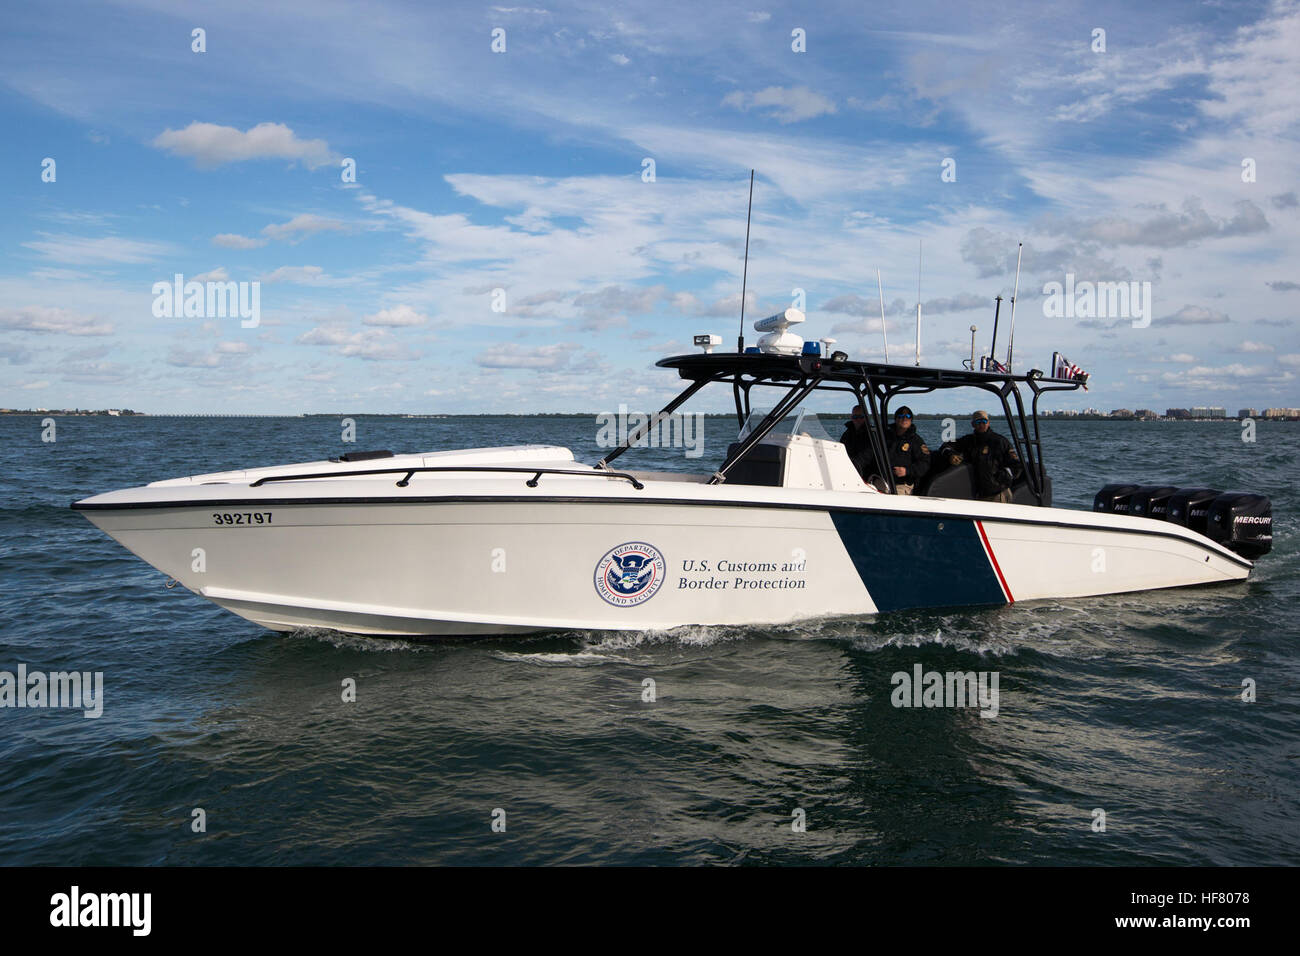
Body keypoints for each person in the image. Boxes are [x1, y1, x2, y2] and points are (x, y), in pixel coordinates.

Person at [948, 410, 1021, 502]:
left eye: (984, 421)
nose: (981, 424)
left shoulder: (1000, 442)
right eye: (978, 422)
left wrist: (1000, 477)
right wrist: (951, 455)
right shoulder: (968, 441)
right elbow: (947, 445)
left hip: (998, 495)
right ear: (973, 424)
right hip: (977, 496)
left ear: (988, 423)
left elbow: (1017, 466)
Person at [884, 405, 930, 495]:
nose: (904, 418)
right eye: (901, 416)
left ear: (911, 420)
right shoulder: (885, 437)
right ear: (896, 419)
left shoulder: (917, 441)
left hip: (902, 484)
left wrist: (907, 471)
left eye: (908, 416)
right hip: (883, 480)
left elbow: (925, 463)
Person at [839, 404, 881, 484]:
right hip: (848, 470)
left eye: (861, 417)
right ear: (851, 418)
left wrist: (851, 465)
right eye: (855, 417)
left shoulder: (872, 434)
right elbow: (841, 449)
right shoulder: (847, 433)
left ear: (866, 418)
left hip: (866, 474)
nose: (858, 419)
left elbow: (867, 455)